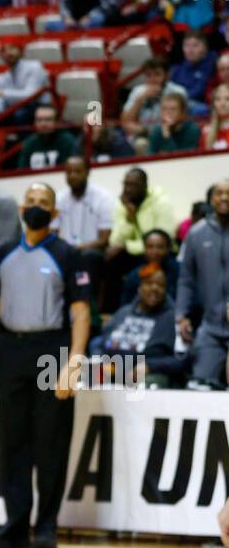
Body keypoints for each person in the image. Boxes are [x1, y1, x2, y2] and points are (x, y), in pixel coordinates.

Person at [0, 182, 91, 548]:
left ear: (55, 214)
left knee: (51, 440)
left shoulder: (68, 255)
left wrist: (74, 360)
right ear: (22, 209)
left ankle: (47, 526)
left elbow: (81, 312)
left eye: (44, 203)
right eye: (32, 201)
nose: (37, 207)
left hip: (51, 349)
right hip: (10, 350)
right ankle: (16, 524)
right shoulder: (5, 253)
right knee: (12, 441)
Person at [93, 269, 188, 389]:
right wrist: (102, 361)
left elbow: (181, 360)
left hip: (147, 373)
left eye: (161, 285)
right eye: (149, 283)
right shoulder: (123, 312)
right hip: (112, 369)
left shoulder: (174, 319)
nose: (155, 288)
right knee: (86, 375)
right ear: (139, 287)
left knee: (147, 384)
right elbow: (100, 345)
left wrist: (150, 365)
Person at [175, 179, 229, 390]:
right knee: (198, 387)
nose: (224, 198)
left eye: (228, 193)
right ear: (211, 199)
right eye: (219, 193)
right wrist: (181, 315)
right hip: (211, 327)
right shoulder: (196, 233)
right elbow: (186, 279)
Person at [103, 167, 177, 310]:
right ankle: (114, 311)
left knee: (154, 254)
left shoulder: (161, 203)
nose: (128, 190)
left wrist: (127, 246)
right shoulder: (123, 205)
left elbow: (165, 240)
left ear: (144, 185)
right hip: (138, 254)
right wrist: (129, 219)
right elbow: (115, 241)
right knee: (111, 258)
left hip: (162, 254)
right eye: (125, 184)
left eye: (133, 185)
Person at [19, 102, 77, 170]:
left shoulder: (67, 141)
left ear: (57, 122)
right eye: (39, 120)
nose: (43, 124)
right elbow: (22, 171)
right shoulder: (29, 143)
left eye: (48, 119)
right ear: (34, 122)